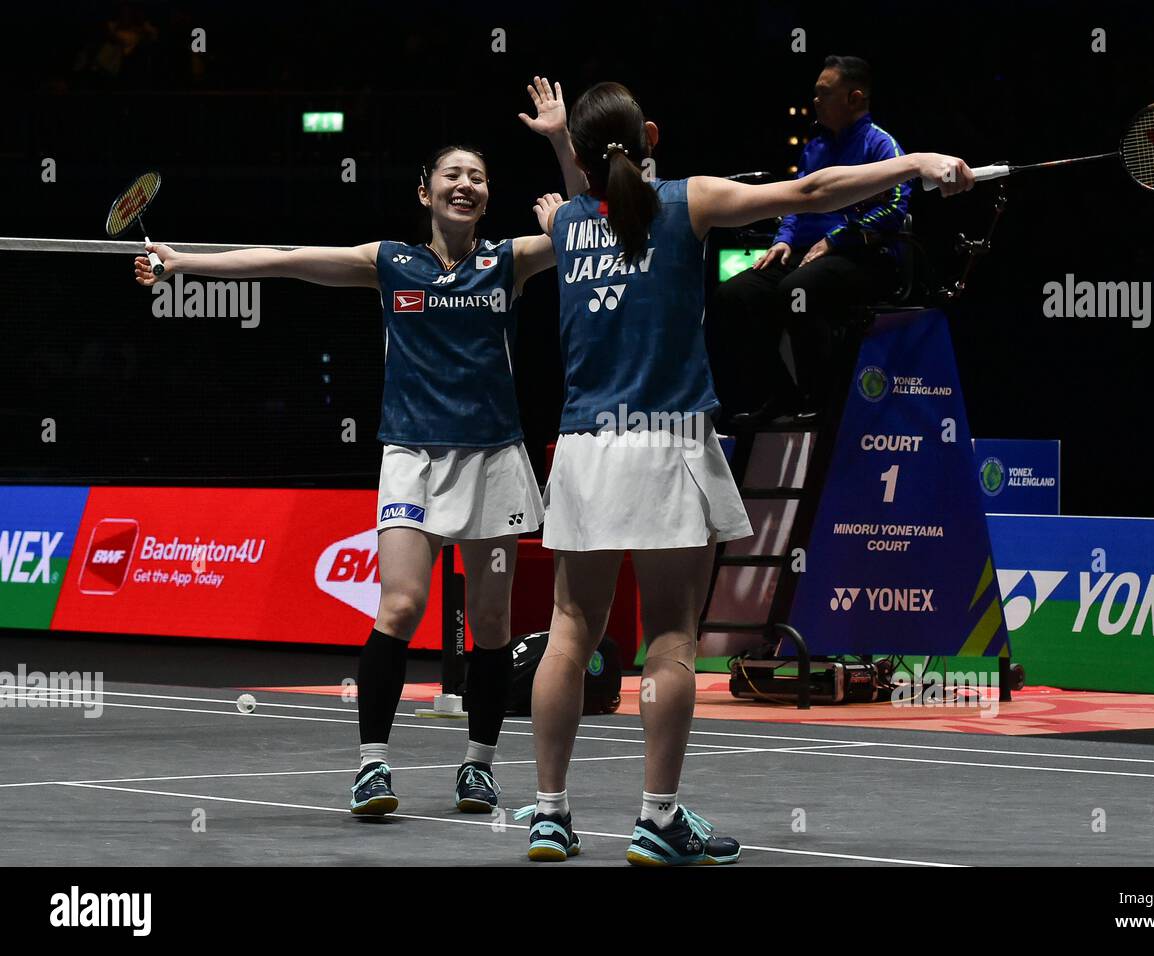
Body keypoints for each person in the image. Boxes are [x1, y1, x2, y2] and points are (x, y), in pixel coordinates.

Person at [517, 77, 971, 864]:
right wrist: (916, 163)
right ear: (651, 135)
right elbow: (816, 188)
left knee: (569, 634)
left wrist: (561, 144)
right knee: (669, 640)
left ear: (584, 164)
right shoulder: (685, 204)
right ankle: (657, 820)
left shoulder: (569, 228)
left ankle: (551, 814)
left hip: (587, 449)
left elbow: (599, 203)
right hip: (668, 447)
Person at [133, 146, 559, 818]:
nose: (466, 185)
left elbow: (601, 236)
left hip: (492, 460)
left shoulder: (508, 261)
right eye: (452, 175)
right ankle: (371, 767)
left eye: (477, 177)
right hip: (412, 457)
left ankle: (477, 767)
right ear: (425, 192)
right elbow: (284, 259)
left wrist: (566, 190)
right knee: (399, 608)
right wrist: (183, 262)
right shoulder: (388, 262)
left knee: (492, 620)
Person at [709, 54, 913, 426]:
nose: (814, 101)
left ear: (855, 98)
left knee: (796, 288)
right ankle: (781, 395)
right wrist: (784, 238)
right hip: (807, 255)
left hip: (866, 258)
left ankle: (824, 399)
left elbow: (897, 207)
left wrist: (836, 240)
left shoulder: (881, 146)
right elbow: (794, 201)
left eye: (824, 94)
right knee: (735, 293)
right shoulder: (814, 148)